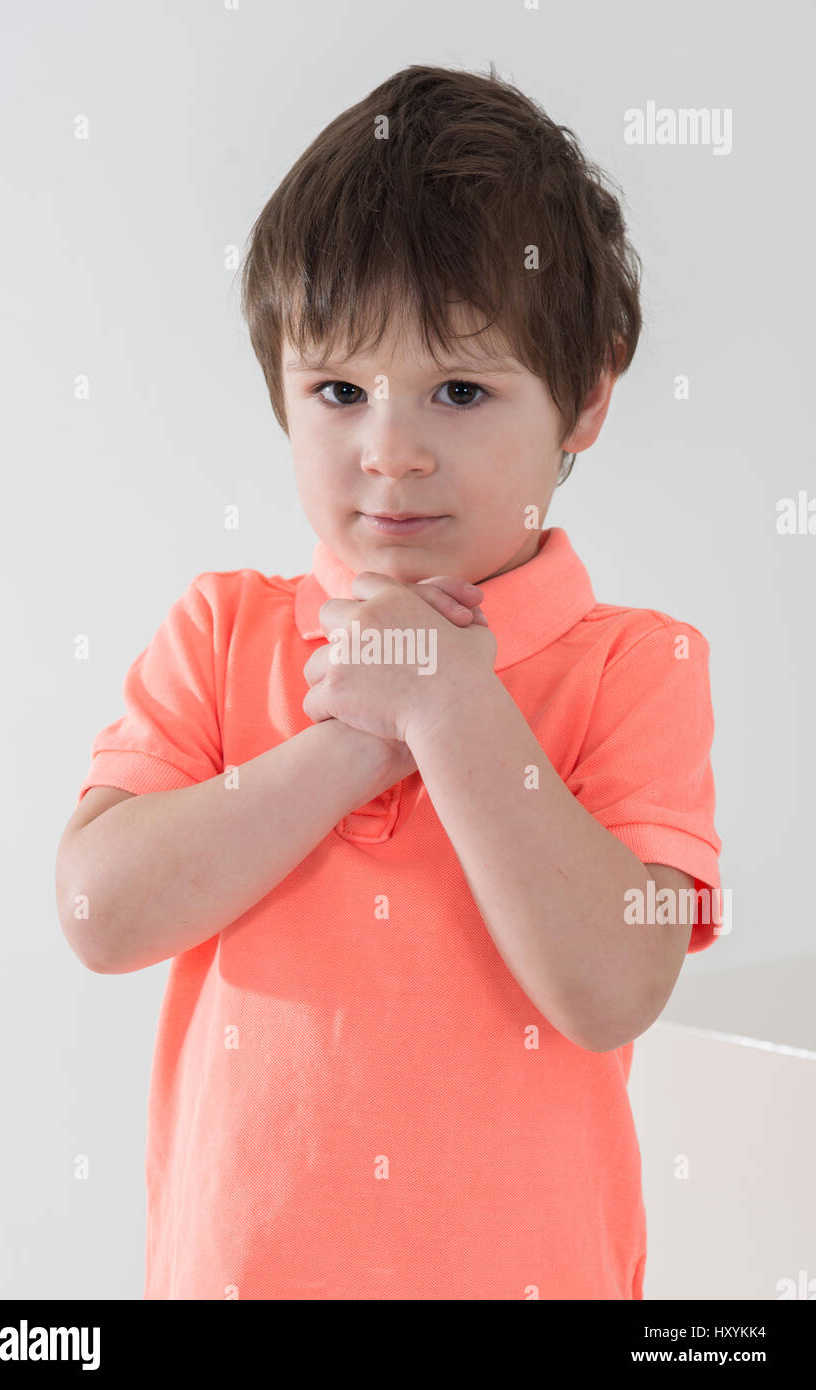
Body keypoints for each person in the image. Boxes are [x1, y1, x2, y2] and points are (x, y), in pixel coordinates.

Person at [55, 63, 723, 1300]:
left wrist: (451, 703)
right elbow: (101, 910)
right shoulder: (222, 630)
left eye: (460, 390)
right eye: (340, 392)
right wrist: (351, 744)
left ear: (588, 394)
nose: (392, 450)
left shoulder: (635, 664)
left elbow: (613, 987)